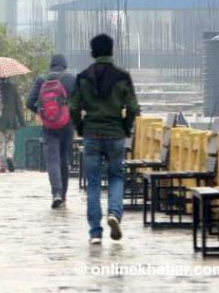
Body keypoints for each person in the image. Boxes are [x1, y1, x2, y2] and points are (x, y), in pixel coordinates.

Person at [70, 34, 140, 244]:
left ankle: (95, 232)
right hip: (115, 135)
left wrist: (82, 127)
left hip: (92, 134)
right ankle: (114, 214)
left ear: (93, 52)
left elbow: (73, 107)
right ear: (111, 51)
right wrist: (125, 128)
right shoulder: (122, 76)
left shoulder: (83, 77)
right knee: (116, 177)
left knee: (93, 182)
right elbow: (134, 107)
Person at [26, 54, 76, 209]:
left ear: (51, 65)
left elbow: (29, 102)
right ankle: (64, 195)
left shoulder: (42, 80)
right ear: (65, 64)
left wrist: (43, 113)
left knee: (52, 159)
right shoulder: (72, 79)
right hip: (68, 125)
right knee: (64, 159)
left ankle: (57, 193)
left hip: (49, 126)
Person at [0, 77, 26, 173]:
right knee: (10, 140)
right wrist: (22, 121)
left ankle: (1, 165)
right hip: (10, 120)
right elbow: (18, 105)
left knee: (0, 143)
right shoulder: (13, 87)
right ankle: (9, 156)